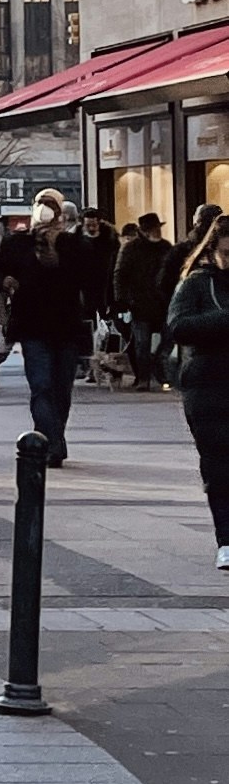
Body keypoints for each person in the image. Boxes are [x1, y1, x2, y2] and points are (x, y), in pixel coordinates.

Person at [0, 191, 90, 465]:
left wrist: (59, 249)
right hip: (32, 326)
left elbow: (88, 277)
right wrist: (5, 281)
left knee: (61, 389)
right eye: (40, 206)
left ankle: (54, 437)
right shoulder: (18, 243)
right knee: (41, 386)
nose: (44, 211)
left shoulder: (72, 243)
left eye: (50, 207)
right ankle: (50, 442)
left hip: (66, 326)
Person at [165, 218, 229, 569]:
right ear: (213, 250)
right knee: (220, 465)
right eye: (226, 253)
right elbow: (178, 326)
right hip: (207, 384)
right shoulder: (196, 284)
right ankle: (226, 539)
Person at [113, 211, 179, 395]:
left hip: (164, 303)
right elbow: (120, 274)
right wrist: (122, 300)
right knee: (141, 343)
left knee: (168, 339)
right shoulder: (130, 249)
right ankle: (143, 378)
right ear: (145, 231)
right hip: (139, 303)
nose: (157, 232)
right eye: (154, 229)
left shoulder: (166, 247)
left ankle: (157, 365)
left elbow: (174, 272)